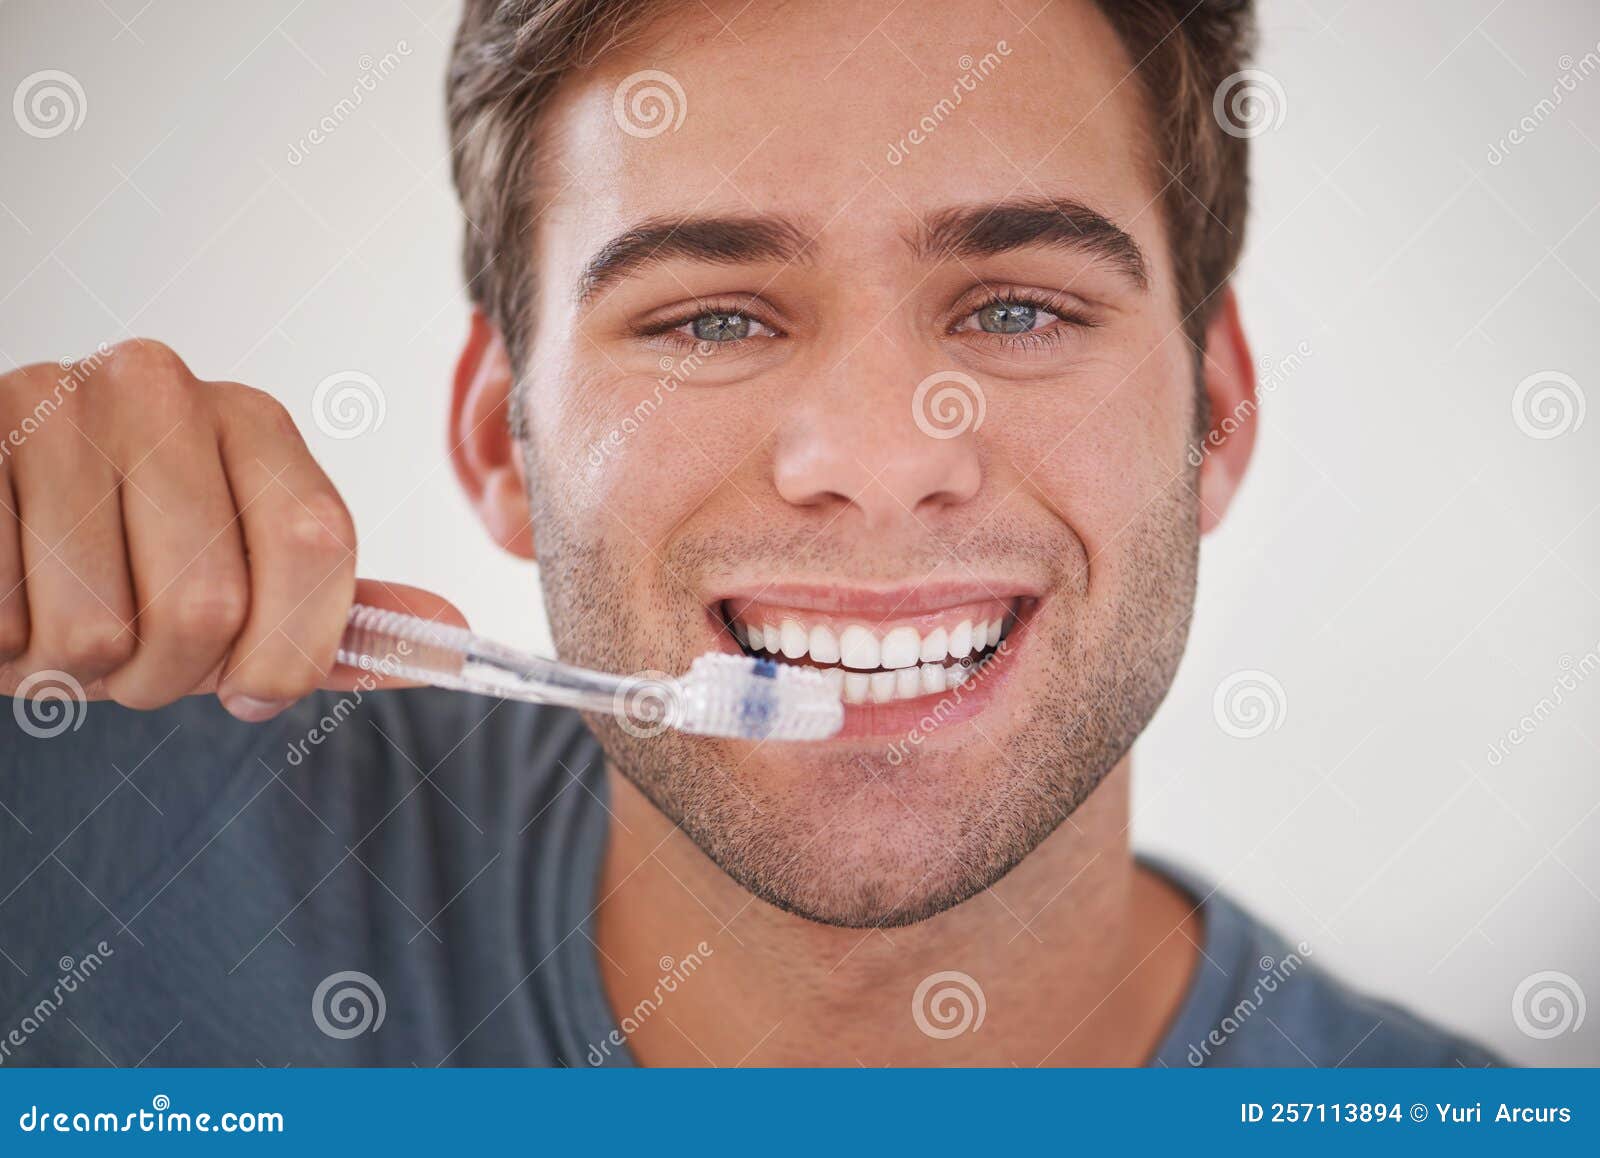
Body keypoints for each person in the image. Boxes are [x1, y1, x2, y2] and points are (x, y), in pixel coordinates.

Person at [0, 0, 1498, 1066]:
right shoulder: (89, 818)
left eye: (1020, 306)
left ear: (1213, 414)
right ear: (498, 440)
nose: (875, 458)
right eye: (713, 317)